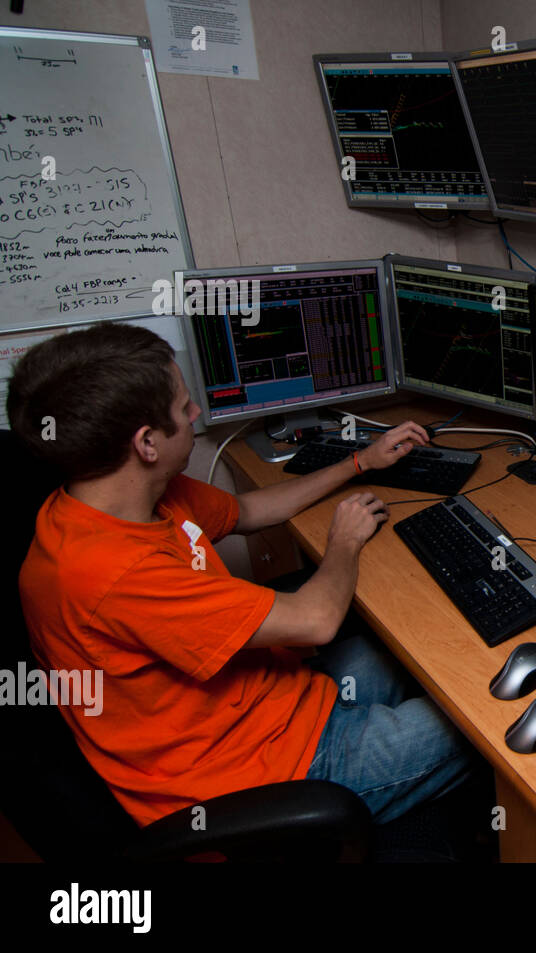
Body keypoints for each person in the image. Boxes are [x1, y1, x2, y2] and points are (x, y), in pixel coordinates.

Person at [9, 322, 473, 828]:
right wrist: (344, 541)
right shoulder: (111, 572)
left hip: (272, 703)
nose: (195, 416)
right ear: (146, 442)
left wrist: (359, 462)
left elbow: (249, 510)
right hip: (258, 778)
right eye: (185, 408)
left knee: (414, 642)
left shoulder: (124, 497)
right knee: (483, 721)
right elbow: (315, 620)